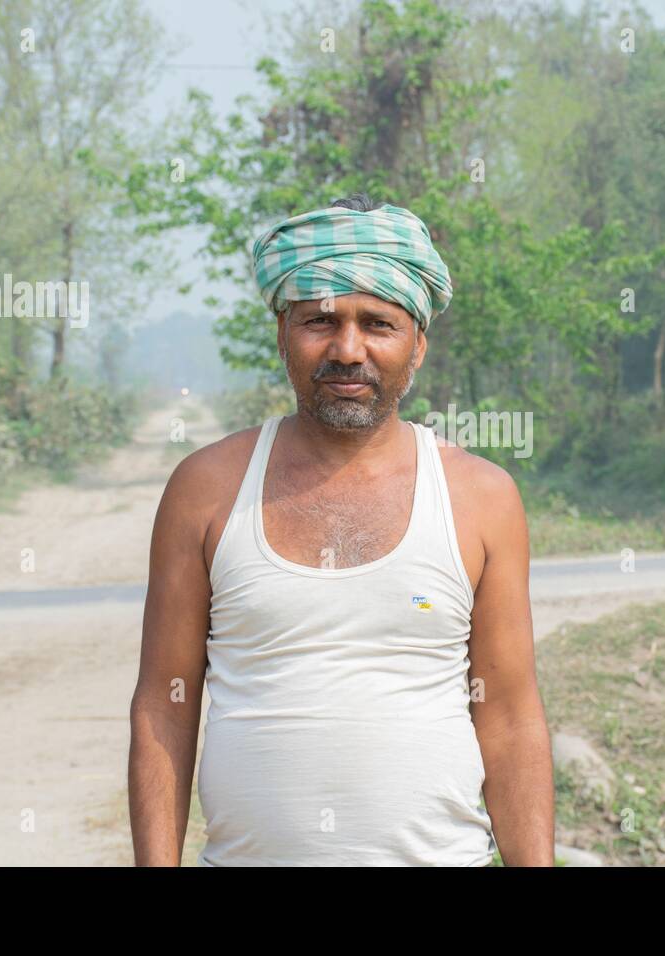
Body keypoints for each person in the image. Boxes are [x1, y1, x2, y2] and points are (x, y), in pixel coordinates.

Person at [128, 193, 554, 865]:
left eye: (377, 323)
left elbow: (508, 714)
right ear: (281, 334)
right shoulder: (206, 491)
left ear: (417, 345)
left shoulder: (481, 498)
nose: (347, 349)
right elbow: (165, 702)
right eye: (320, 320)